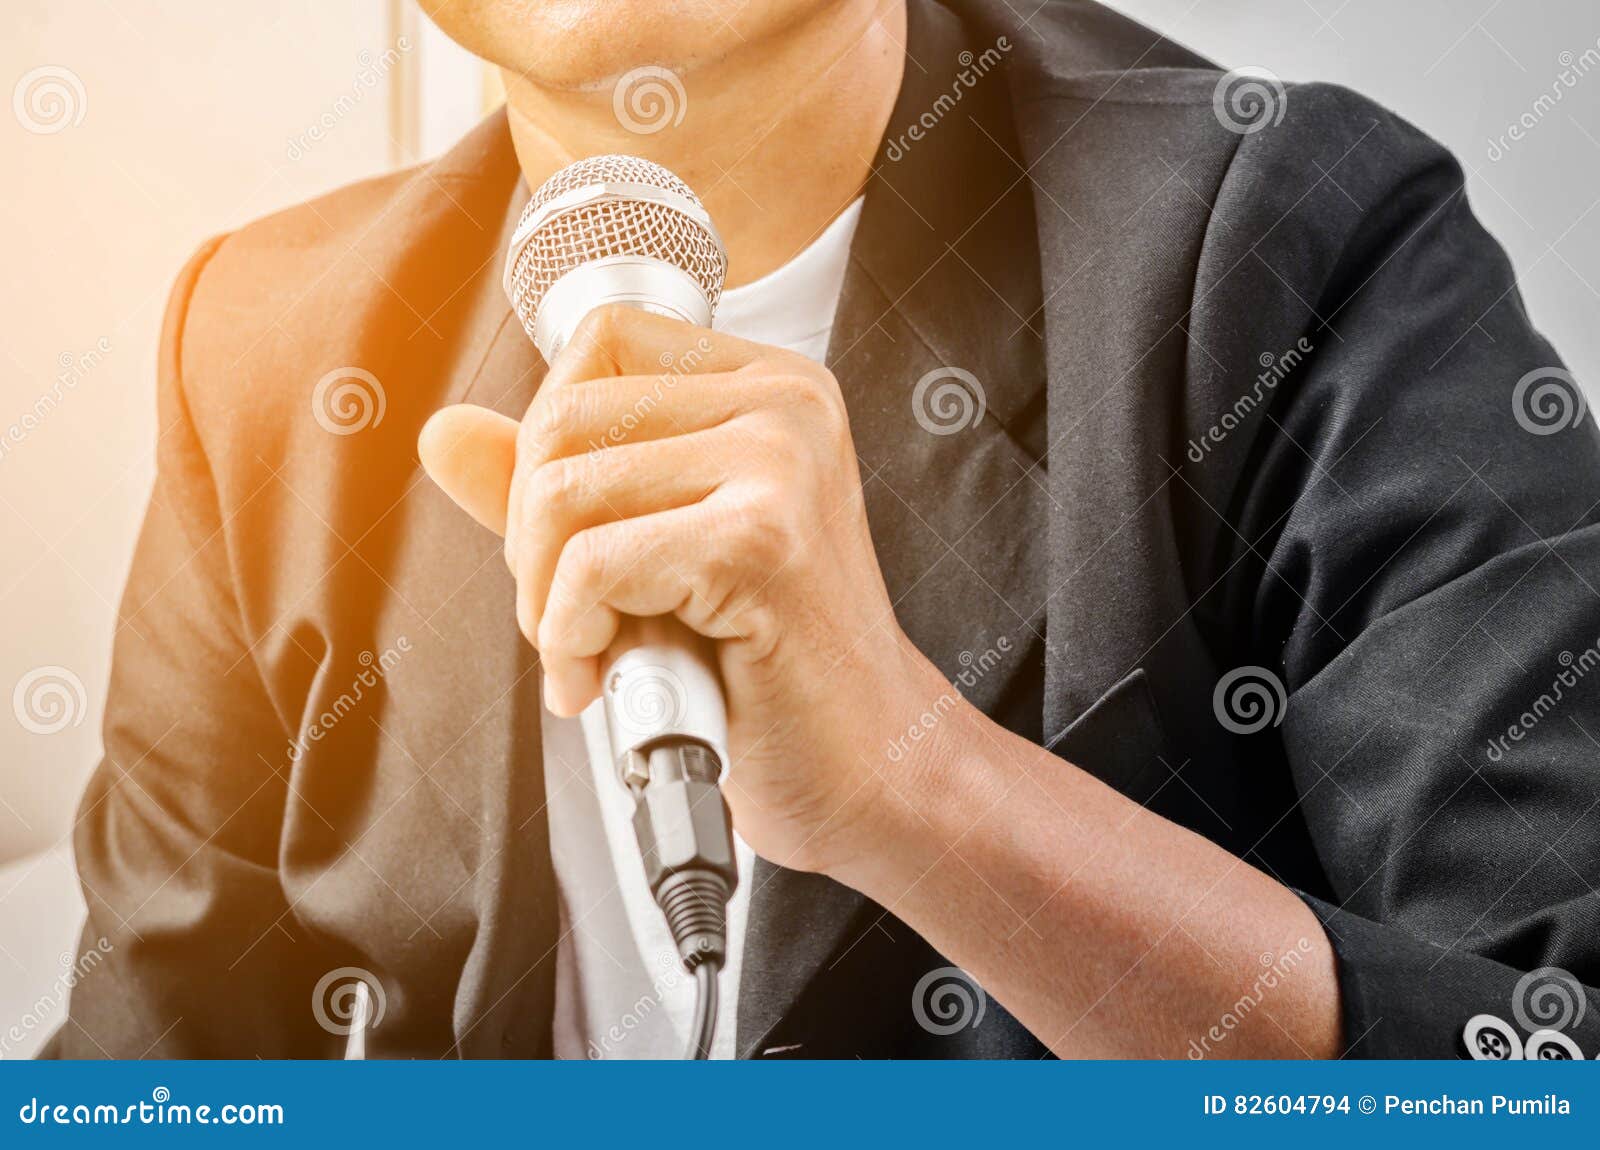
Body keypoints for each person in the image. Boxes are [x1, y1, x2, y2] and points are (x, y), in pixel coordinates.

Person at [47, 0, 1600, 1060]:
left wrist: (918, 788)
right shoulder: (264, 350)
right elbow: (153, 1072)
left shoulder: (1291, 246)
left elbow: (1548, 1057)